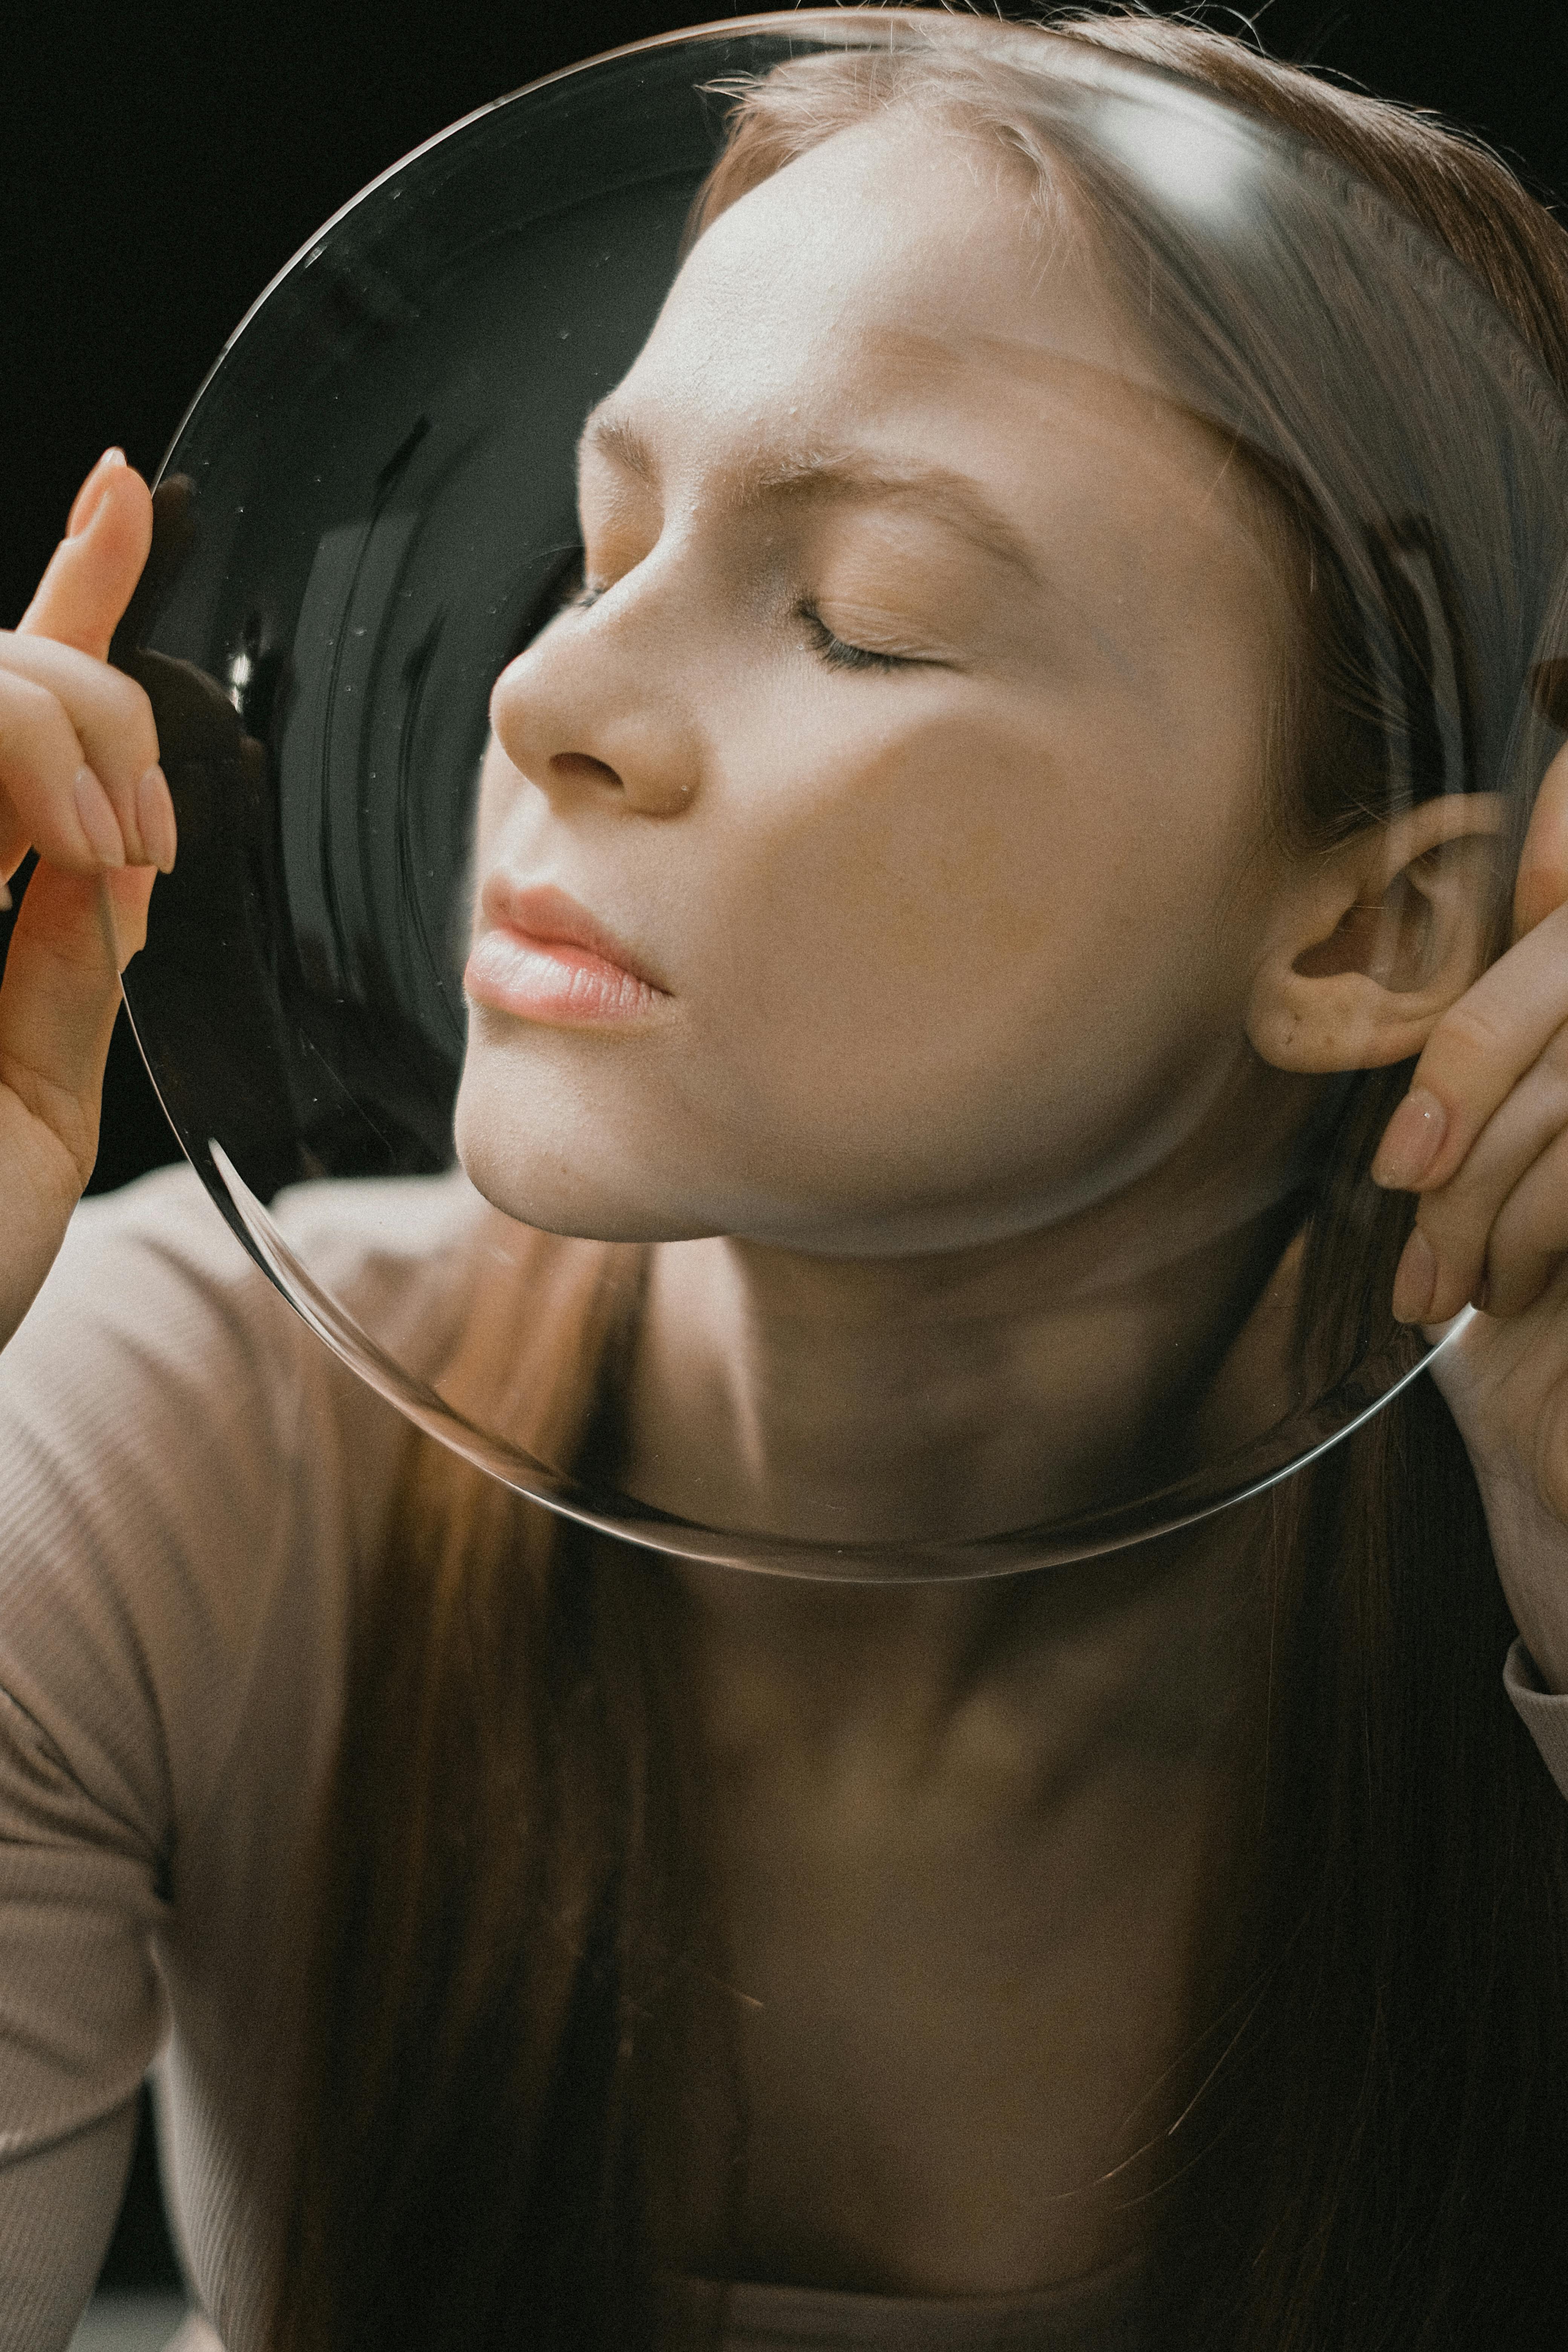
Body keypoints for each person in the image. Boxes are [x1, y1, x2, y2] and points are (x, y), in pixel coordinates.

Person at [2, 10, 1568, 2350]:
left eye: (863, 615)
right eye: (602, 538)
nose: (550, 701)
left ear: (1365, 932)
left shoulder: (1529, 1550)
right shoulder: (181, 1435)